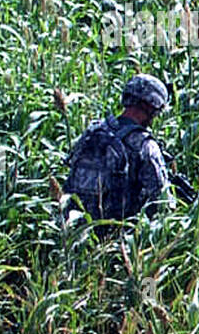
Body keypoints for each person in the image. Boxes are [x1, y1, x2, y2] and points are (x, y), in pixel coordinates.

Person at [62, 73, 173, 224]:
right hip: (116, 234)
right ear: (150, 106)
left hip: (74, 224)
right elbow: (163, 200)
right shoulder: (144, 145)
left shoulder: (94, 130)